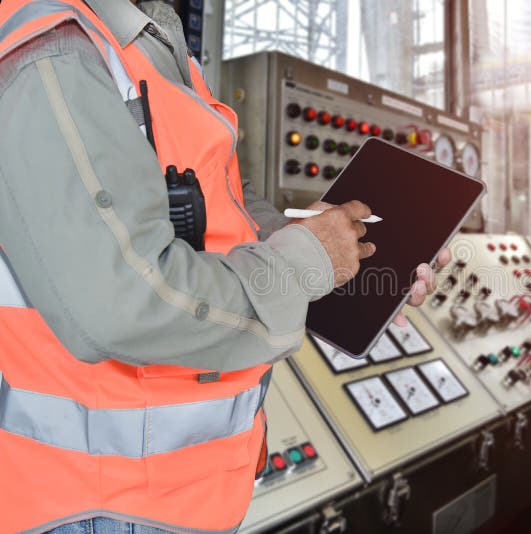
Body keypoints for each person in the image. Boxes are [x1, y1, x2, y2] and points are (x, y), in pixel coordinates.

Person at [0, 1, 448, 532]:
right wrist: (306, 260)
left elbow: (222, 206)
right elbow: (124, 300)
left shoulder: (158, 46)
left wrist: (318, 244)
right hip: (98, 504)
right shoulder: (53, 49)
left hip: (191, 491)